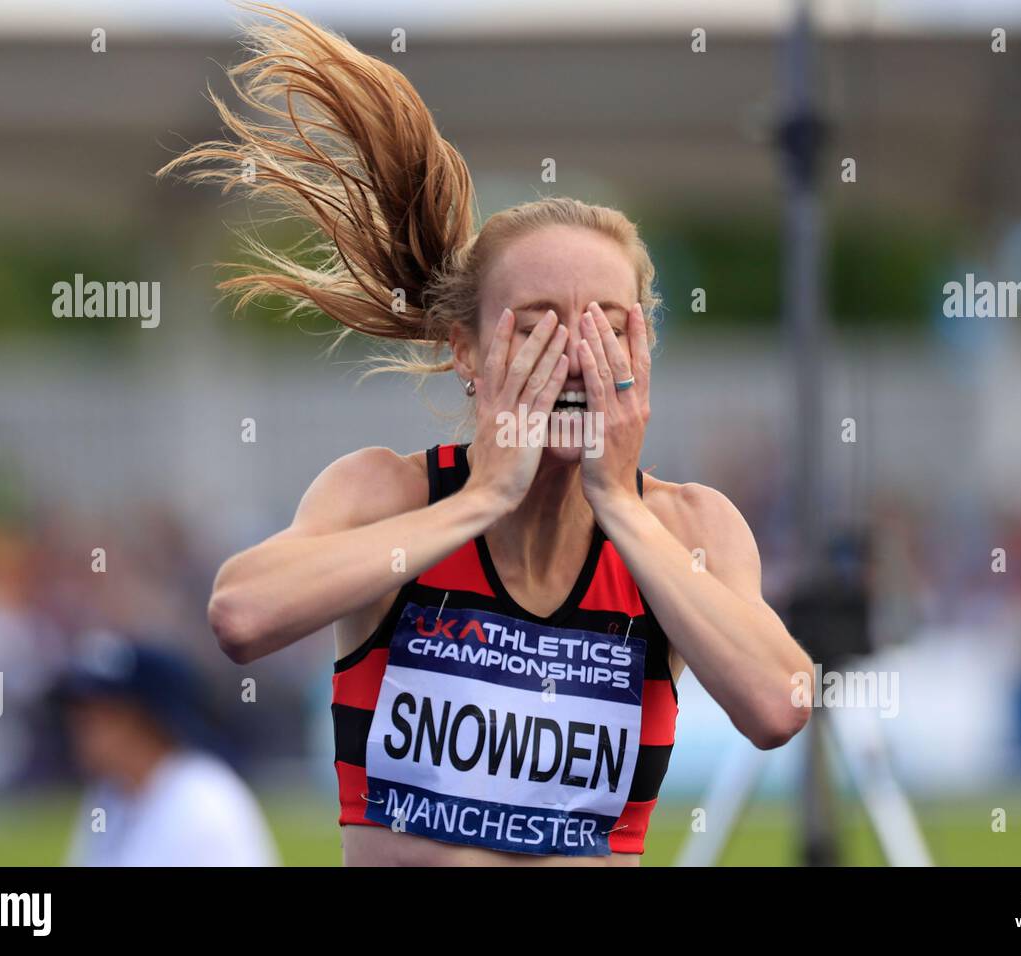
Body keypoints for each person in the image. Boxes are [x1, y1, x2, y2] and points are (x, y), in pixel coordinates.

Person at [161, 4, 813, 866]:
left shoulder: (691, 527)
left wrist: (618, 502)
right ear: (467, 348)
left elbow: (780, 705)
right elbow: (240, 614)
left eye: (608, 325)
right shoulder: (386, 493)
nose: (577, 355)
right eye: (539, 325)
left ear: (643, 345)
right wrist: (484, 497)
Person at [57, 632, 278, 867]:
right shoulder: (110, 796)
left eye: (100, 715)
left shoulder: (204, 804)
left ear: (148, 720)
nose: (78, 728)